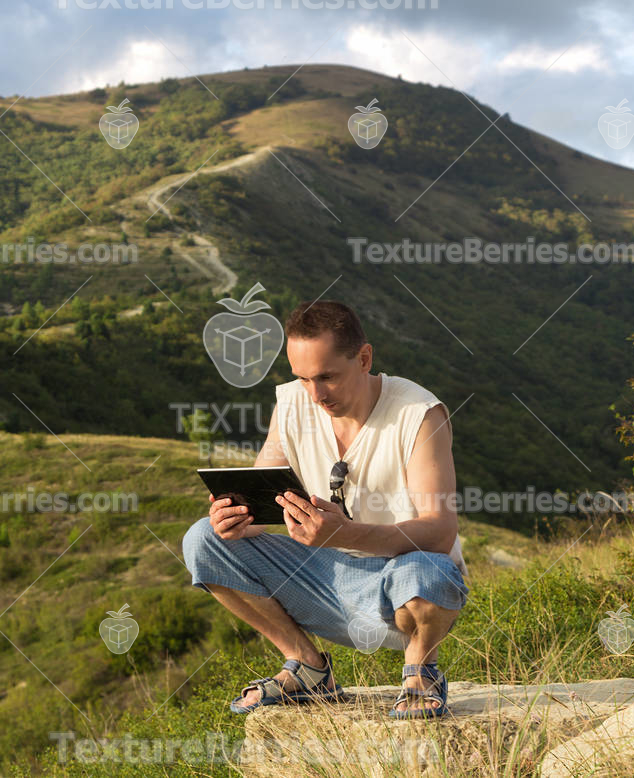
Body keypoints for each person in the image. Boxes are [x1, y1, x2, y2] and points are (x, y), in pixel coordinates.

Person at [182, 300, 469, 718]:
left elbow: (440, 532)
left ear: (364, 358)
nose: (315, 395)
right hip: (323, 576)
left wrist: (348, 534)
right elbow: (262, 497)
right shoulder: (294, 404)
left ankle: (421, 669)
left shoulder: (420, 414)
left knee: (434, 572)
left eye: (327, 377)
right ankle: (308, 669)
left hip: (403, 583)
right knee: (202, 540)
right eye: (303, 379)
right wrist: (239, 522)